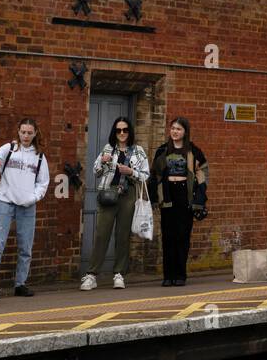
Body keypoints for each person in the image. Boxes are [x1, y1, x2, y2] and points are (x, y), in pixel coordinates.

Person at [0, 117, 50, 299]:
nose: (26, 136)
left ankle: (20, 284)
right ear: (18, 132)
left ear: (35, 134)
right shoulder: (9, 149)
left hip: (27, 206)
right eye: (23, 132)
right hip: (5, 201)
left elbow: (43, 183)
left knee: (25, 247)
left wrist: (32, 198)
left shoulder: (40, 156)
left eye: (29, 133)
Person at [81, 116, 150, 291]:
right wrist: (102, 162)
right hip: (108, 194)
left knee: (122, 235)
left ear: (130, 131)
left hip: (128, 196)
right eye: (118, 130)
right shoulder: (108, 148)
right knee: (101, 234)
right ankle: (92, 275)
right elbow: (96, 171)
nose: (122, 133)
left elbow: (145, 176)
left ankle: (119, 274)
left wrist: (131, 171)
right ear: (114, 132)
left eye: (125, 130)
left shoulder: (138, 151)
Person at [147, 117, 208, 287]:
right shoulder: (162, 150)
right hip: (167, 195)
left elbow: (202, 175)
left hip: (185, 196)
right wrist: (154, 198)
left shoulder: (194, 151)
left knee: (182, 236)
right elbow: (154, 175)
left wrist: (199, 200)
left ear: (185, 132)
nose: (175, 131)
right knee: (168, 236)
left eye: (179, 129)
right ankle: (168, 275)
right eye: (173, 128)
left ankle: (180, 274)